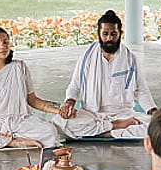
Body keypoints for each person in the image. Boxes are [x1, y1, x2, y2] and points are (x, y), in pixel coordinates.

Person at [54, 10, 155, 139]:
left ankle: (104, 132)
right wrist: (69, 103)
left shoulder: (131, 59)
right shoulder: (86, 58)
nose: (109, 38)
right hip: (92, 114)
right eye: (105, 34)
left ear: (120, 34)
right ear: (99, 34)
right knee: (60, 122)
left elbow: (141, 90)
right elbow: (75, 86)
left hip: (123, 114)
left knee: (157, 125)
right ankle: (116, 128)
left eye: (113, 34)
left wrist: (153, 111)